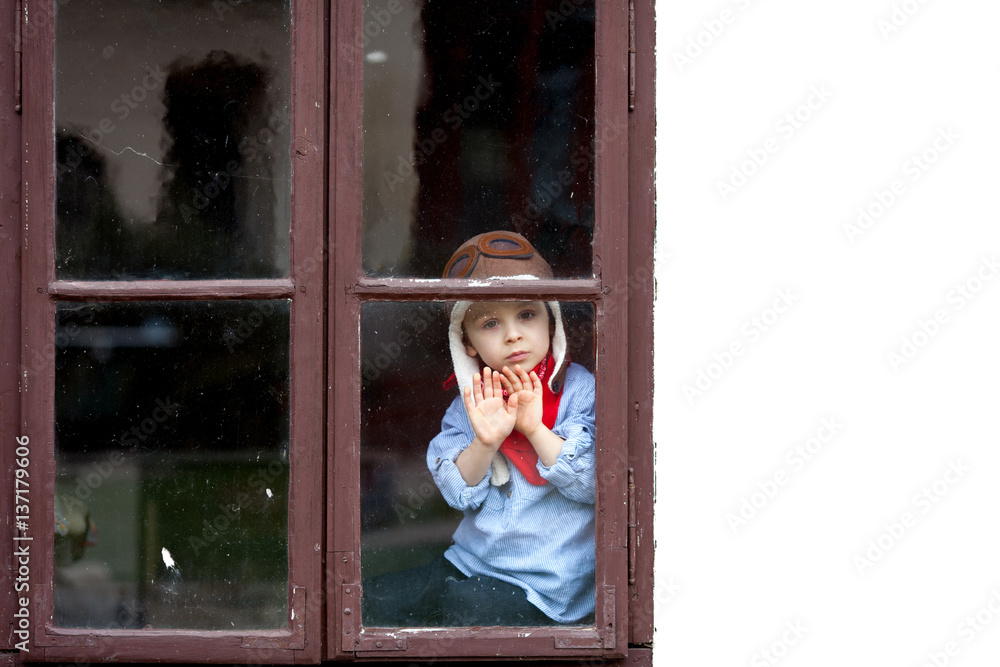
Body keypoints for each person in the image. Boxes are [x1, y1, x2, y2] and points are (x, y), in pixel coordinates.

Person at [362, 231, 596, 627]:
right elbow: (458, 494)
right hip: (470, 563)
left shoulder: (579, 390)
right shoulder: (471, 403)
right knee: (370, 602)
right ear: (466, 343)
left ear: (551, 317)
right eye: (490, 323)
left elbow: (592, 480)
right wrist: (486, 442)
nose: (512, 334)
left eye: (526, 314)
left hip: (546, 587)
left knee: (470, 610)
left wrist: (535, 428)